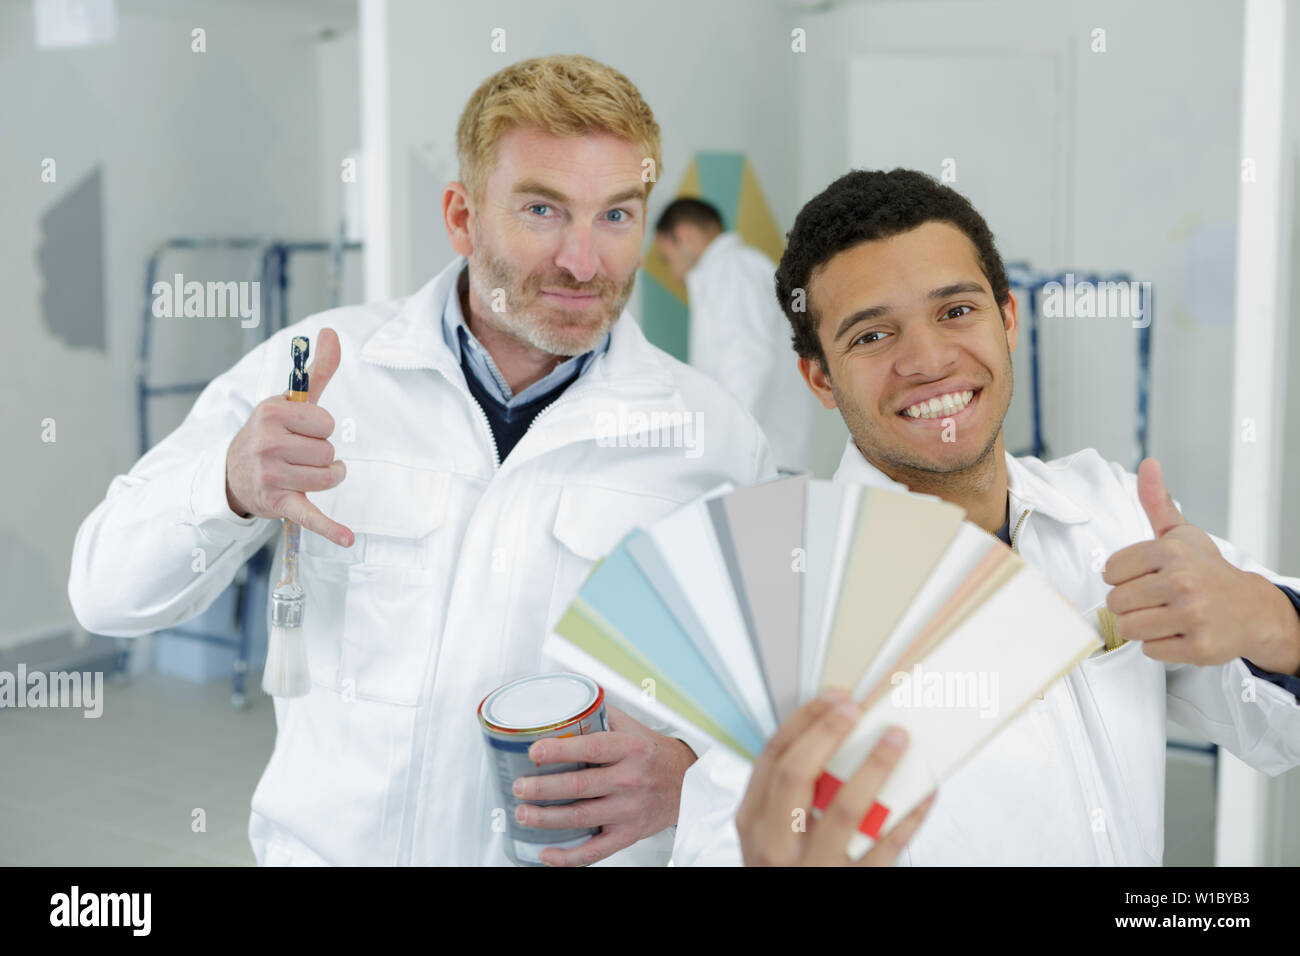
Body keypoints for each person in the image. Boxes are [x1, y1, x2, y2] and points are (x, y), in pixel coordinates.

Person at [67, 54, 775, 867]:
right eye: (543, 209)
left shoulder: (713, 441)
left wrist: (693, 778)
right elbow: (103, 592)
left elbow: (778, 715)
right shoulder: (319, 367)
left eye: (616, 216)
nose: (585, 262)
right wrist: (226, 485)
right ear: (462, 216)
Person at [674, 168, 1300, 866]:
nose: (930, 360)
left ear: (1007, 318)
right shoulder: (777, 609)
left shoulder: (1110, 508)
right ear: (820, 377)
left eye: (955, 311)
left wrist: (1268, 618)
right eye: (873, 336)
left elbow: (1277, 735)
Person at [654, 198, 814, 471]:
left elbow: (748, 363)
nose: (672, 275)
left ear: (685, 236)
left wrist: (720, 448)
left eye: (666, 259)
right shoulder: (731, 271)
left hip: (758, 463)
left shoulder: (732, 270)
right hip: (762, 460)